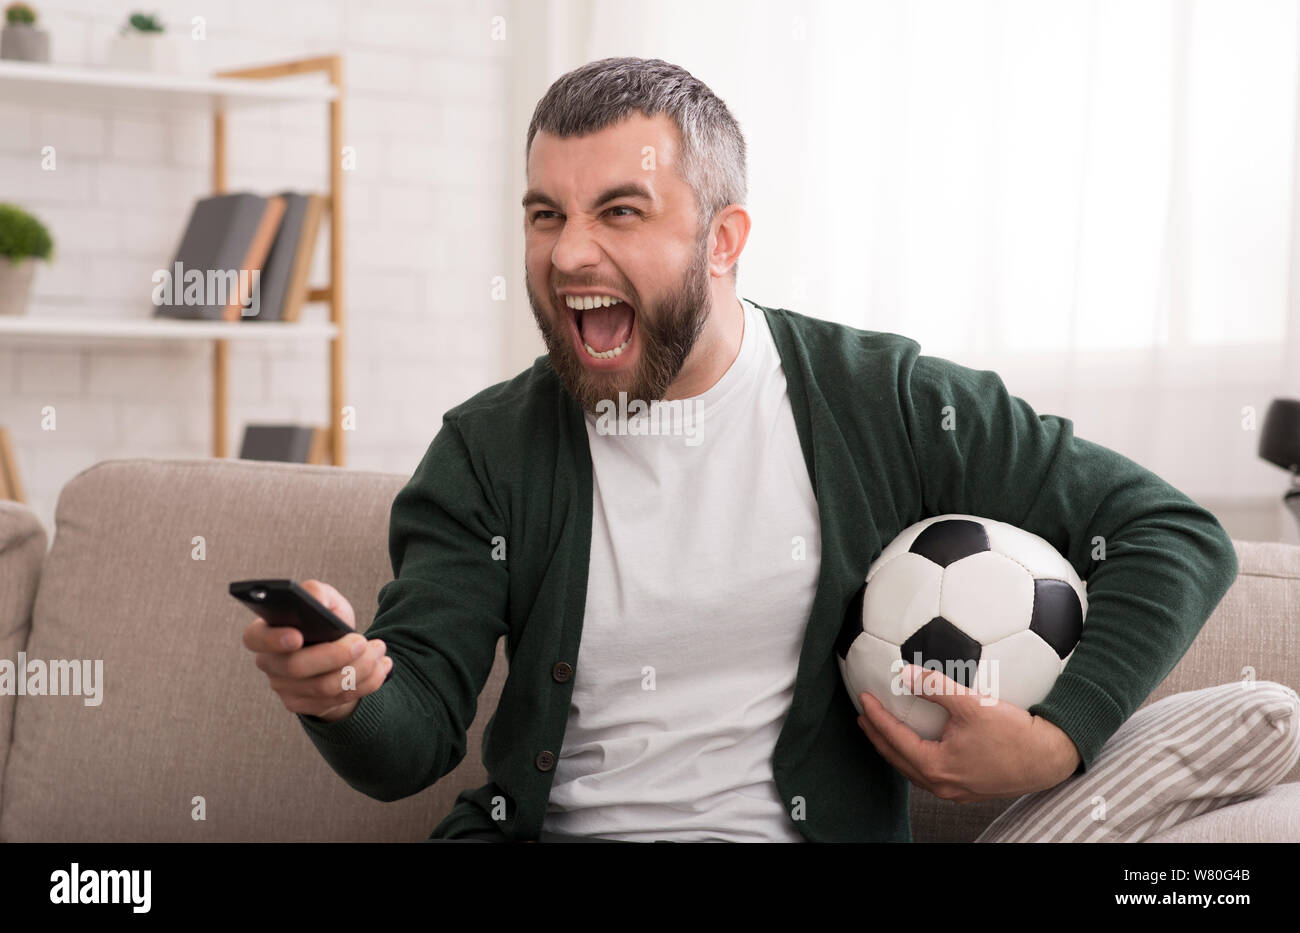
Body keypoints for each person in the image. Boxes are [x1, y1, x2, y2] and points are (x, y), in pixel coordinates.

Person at [241, 57, 1238, 843]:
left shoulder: (882, 400)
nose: (568, 254)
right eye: (546, 215)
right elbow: (409, 744)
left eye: (618, 211)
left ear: (723, 239)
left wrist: (1059, 738)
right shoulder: (489, 450)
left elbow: (1169, 532)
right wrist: (345, 693)